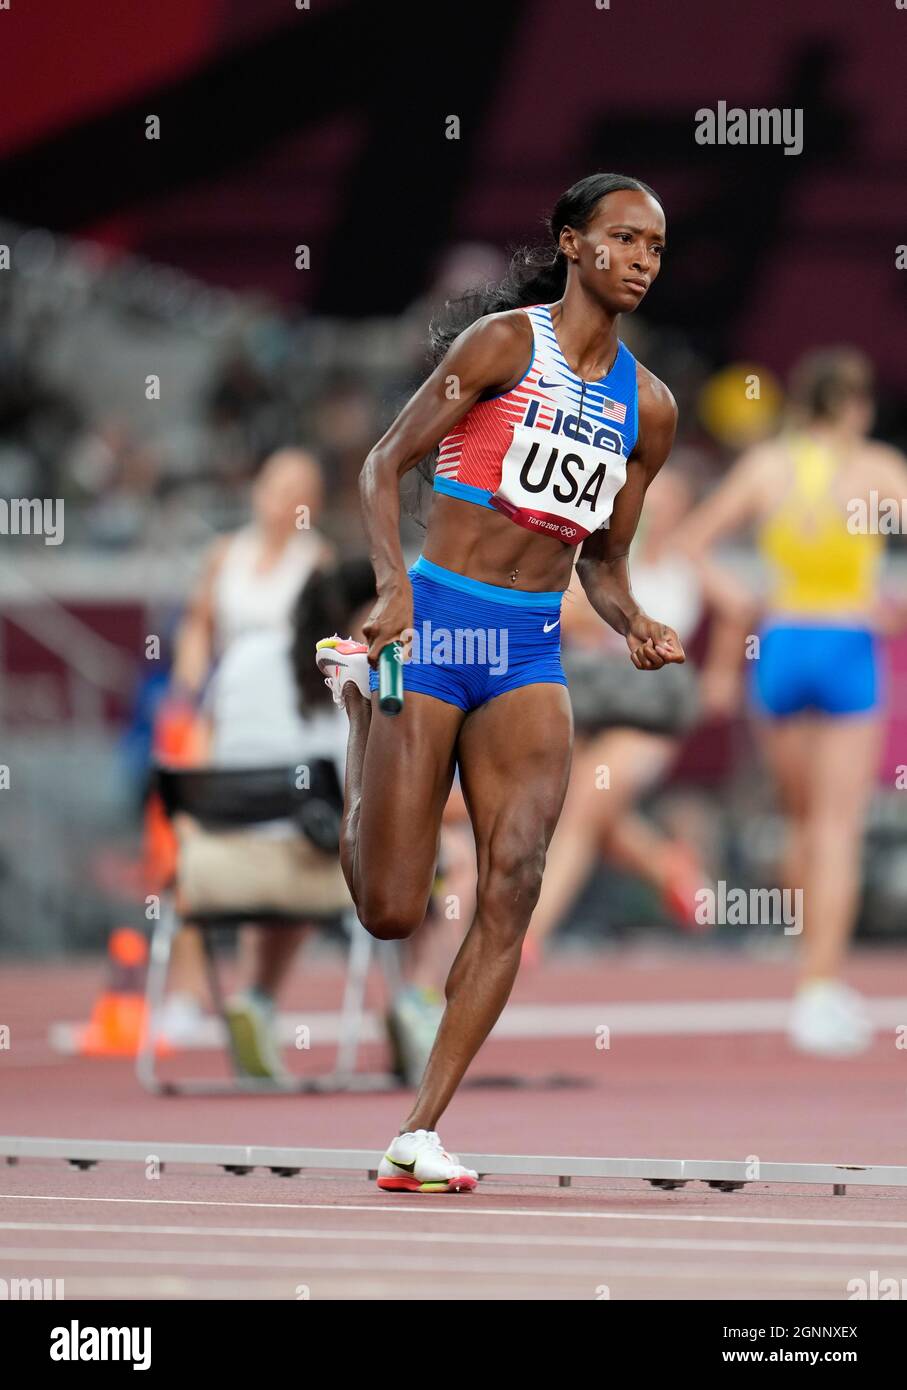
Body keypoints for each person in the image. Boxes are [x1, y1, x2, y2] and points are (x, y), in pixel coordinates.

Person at [315, 173, 684, 1192]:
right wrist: (391, 586)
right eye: (622, 239)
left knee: (512, 879)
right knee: (391, 907)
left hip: (526, 653)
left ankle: (418, 1129)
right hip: (436, 628)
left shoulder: (647, 409)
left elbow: (602, 565)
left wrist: (637, 620)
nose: (641, 260)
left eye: (655, 246)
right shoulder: (502, 346)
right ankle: (361, 708)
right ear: (572, 243)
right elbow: (382, 464)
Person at [678, 348, 907, 1056]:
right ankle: (817, 987)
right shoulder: (874, 469)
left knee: (801, 821)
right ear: (855, 406)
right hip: (844, 640)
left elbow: (688, 544)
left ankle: (809, 972)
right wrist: (890, 602)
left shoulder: (767, 467)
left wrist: (736, 595)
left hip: (779, 643)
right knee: (836, 827)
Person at [157, 447, 334, 1044]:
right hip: (221, 718)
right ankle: (183, 993)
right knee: (193, 837)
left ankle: (255, 995)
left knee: (284, 840)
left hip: (286, 727)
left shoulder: (317, 562)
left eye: (296, 489)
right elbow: (198, 623)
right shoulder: (224, 555)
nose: (282, 499)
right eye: (273, 484)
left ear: (310, 503)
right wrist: (187, 679)